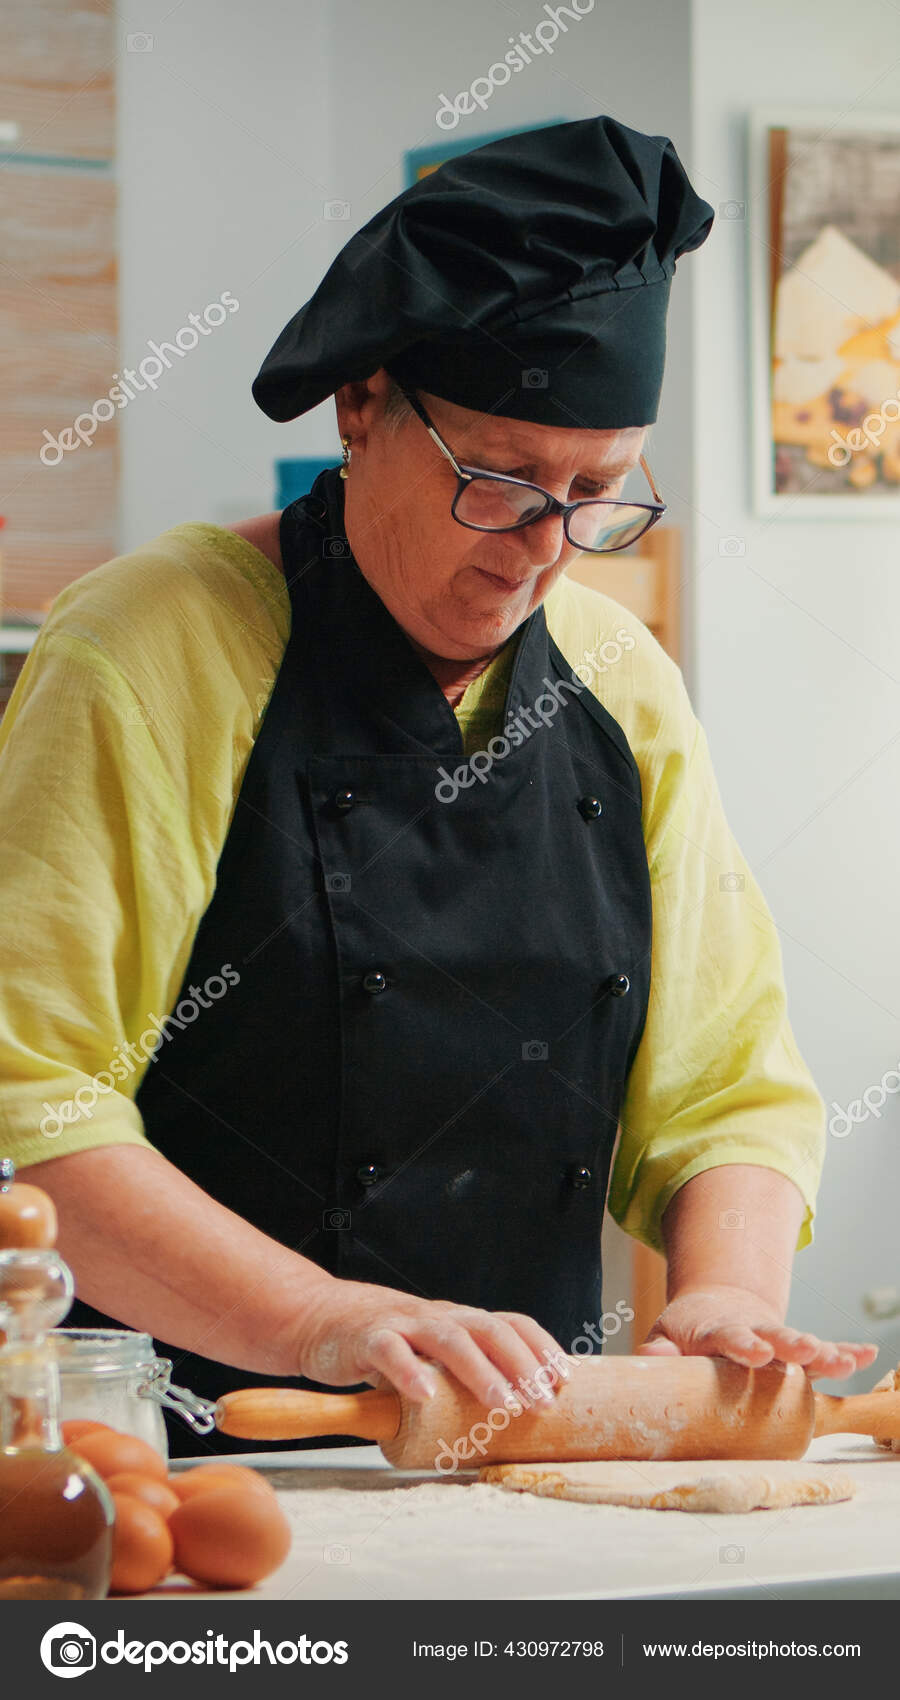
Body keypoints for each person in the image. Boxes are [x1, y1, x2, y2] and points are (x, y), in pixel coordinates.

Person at [0, 116, 875, 1456]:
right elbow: (36, 1095)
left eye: (598, 493)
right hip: (183, 1455)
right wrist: (321, 1317)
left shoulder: (618, 678)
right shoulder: (146, 649)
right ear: (364, 406)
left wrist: (727, 1295)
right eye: (500, 480)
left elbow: (730, 1085)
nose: (543, 550)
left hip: (524, 1461)